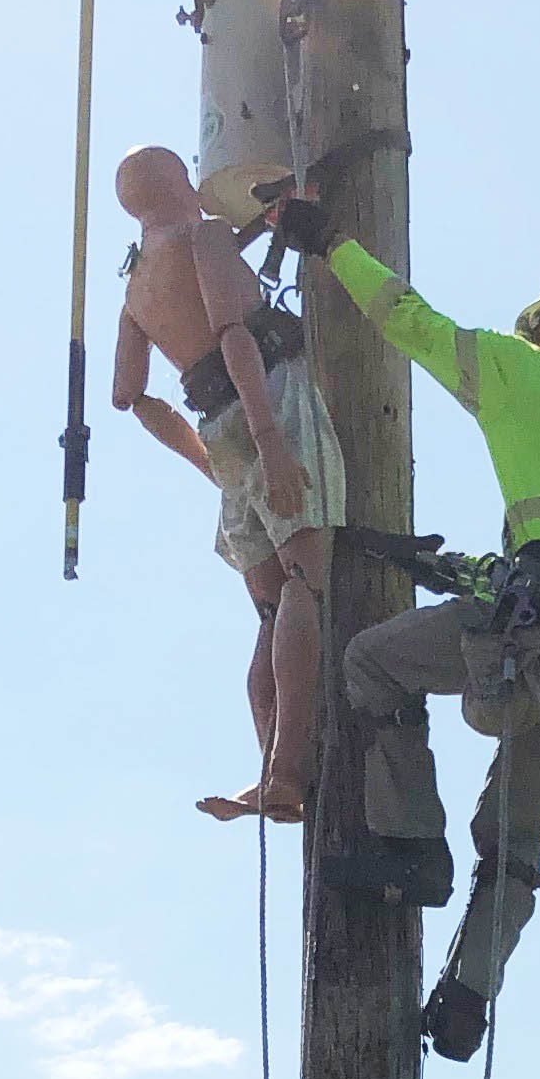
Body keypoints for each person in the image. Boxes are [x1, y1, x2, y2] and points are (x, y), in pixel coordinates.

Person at [266, 197, 540, 1063]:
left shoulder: (522, 372)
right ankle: (466, 999)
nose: (538, 336)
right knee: (513, 835)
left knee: (373, 663)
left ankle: (412, 847)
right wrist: (452, 571)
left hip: (539, 629)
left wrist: (332, 242)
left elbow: (408, 321)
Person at [112, 145, 345, 822]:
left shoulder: (136, 285)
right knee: (302, 583)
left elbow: (132, 397)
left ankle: (267, 766)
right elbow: (233, 330)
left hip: (215, 423)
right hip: (268, 399)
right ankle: (288, 769)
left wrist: (208, 463)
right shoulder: (203, 236)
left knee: (270, 610)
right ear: (178, 184)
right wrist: (271, 444)